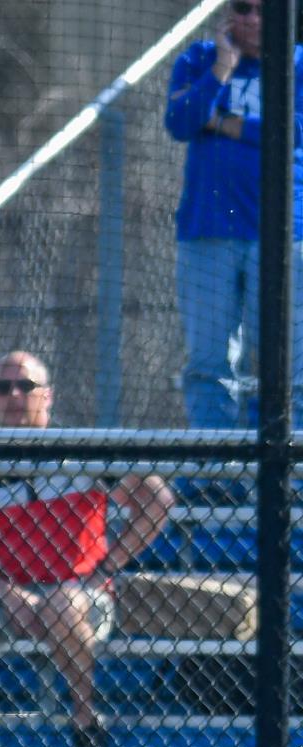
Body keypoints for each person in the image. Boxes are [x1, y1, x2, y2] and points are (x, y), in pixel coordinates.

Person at [0, 352, 174, 747]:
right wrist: (8, 594)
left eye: (25, 386)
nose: (14, 395)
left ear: (47, 395)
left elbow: (157, 499)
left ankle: (85, 720)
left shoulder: (81, 450)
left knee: (62, 607)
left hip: (80, 594)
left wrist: (106, 567)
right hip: (2, 598)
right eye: (3, 388)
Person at [163, 0, 303, 427]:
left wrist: (220, 121)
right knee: (209, 363)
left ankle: (289, 462)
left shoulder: (297, 65)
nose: (254, 19)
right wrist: (222, 68)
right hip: (208, 231)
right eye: (243, 8)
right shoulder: (200, 59)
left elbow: (292, 131)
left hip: (285, 235)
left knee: (291, 365)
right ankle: (215, 464)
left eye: (265, 9)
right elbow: (180, 122)